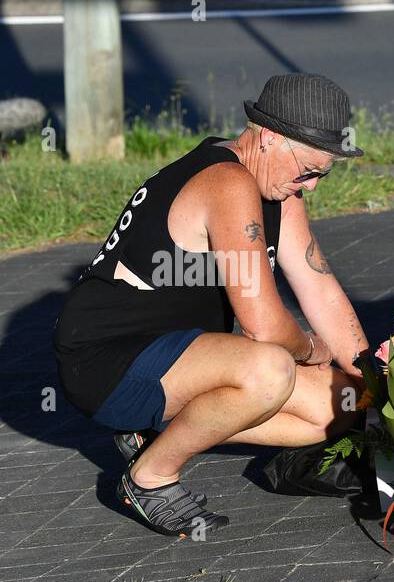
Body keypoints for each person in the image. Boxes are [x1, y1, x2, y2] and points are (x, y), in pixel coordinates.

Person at [53, 73, 371, 538]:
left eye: (322, 173)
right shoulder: (227, 182)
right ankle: (150, 478)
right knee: (269, 370)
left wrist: (372, 379)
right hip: (106, 358)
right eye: (308, 170)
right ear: (268, 137)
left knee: (340, 404)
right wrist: (312, 350)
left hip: (180, 355)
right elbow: (263, 326)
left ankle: (152, 431)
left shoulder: (280, 190)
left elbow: (319, 286)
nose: (312, 186)